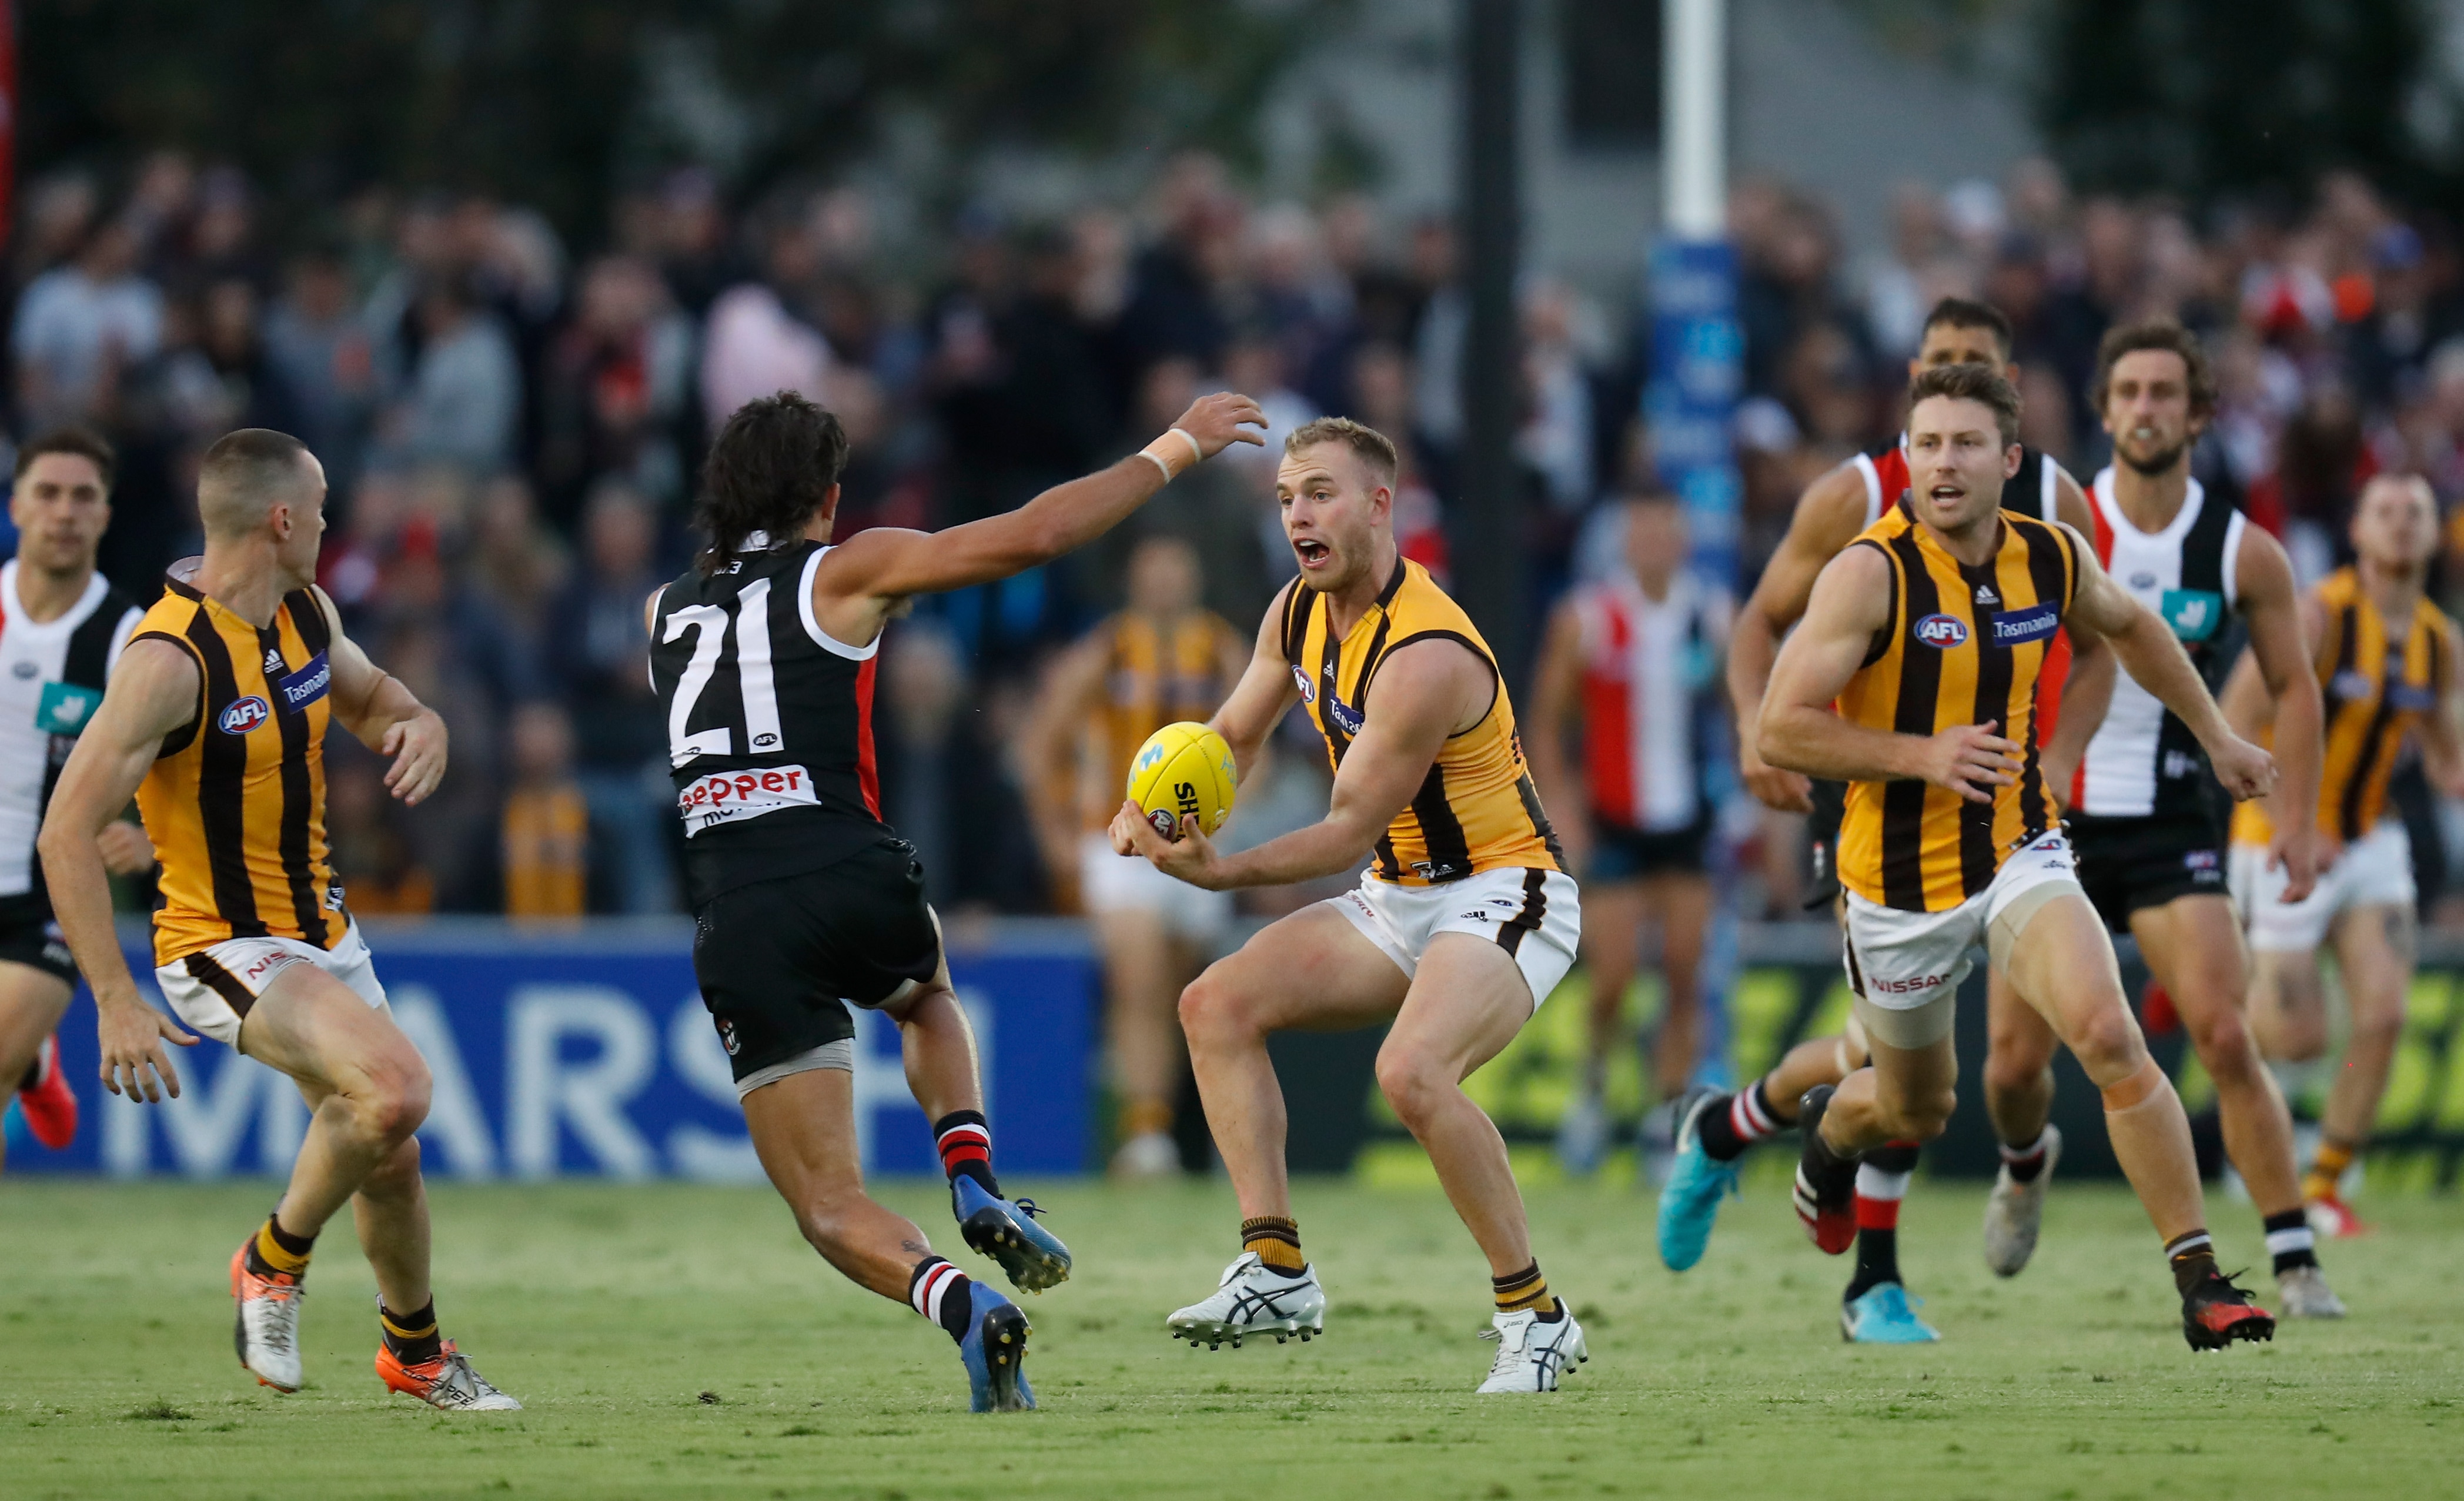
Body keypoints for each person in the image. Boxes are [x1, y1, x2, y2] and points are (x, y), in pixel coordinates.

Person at [647, 387, 1265, 1413]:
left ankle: (962, 1303)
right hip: (851, 867)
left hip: (737, 905)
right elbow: (1034, 535)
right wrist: (1173, 446)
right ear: (828, 497)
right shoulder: (847, 567)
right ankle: (971, 1169)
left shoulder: (662, 612)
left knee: (830, 1204)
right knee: (925, 992)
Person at [1756, 364, 2278, 1351]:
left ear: (2009, 460)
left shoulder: (2053, 555)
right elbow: (1780, 728)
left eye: (1962, 444)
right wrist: (1920, 754)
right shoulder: (1869, 571)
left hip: (2018, 853)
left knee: (2110, 1036)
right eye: (1925, 444)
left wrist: (2218, 739)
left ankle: (2202, 1280)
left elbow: (2131, 632)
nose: (1941, 463)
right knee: (1917, 1104)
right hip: (1895, 890)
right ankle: (1830, 1132)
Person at [42, 428, 519, 1409]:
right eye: (324, 502)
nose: (334, 519)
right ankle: (270, 1258)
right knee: (396, 1086)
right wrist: (114, 999)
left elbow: (373, 696)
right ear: (283, 518)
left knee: (388, 1149)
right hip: (222, 943)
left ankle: (414, 1350)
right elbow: (64, 834)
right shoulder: (167, 662)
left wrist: (418, 720)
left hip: (324, 930)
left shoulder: (307, 609)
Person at [1663, 296, 2107, 1343]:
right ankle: (1874, 1281)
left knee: (1936, 1053)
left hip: (2007, 801)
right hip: (1870, 784)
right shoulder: (1852, 499)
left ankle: (1732, 1124)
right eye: (1937, 376)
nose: (1951, 407)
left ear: (2010, 412)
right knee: (1896, 1050)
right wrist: (1746, 727)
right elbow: (1762, 625)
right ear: (1912, 381)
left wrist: (2060, 756)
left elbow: (2102, 641)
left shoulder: (2057, 506)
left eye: (1977, 375)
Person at [1114, 417, 1589, 1393]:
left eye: (1321, 492)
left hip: (1508, 889)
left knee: (1412, 1073)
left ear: (1381, 506)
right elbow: (1234, 737)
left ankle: (1533, 1312)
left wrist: (1217, 870)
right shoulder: (1296, 611)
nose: (1298, 513)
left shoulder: (1425, 652)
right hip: (1399, 895)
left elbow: (1340, 828)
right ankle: (1276, 1266)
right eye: (1288, 495)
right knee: (1215, 1003)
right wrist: (1156, 803)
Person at [1984, 320, 2344, 1318]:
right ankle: (2023, 1160)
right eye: (2129, 392)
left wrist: (2298, 823)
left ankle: (2294, 1252)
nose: (2145, 409)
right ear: (2104, 412)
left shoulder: (2240, 550)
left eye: (2164, 392)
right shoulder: (2055, 527)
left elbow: (2295, 685)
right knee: (2014, 1065)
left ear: (2198, 413)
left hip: (2170, 824)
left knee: (2227, 1034)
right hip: (2048, 821)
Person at [2224, 474, 2464, 1240]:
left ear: (2434, 534)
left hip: (2366, 837)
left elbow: (2443, 751)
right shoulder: (2318, 614)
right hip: (2278, 831)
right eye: (2384, 512)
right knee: (2295, 1038)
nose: (2400, 525)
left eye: (2415, 514)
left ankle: (2323, 1180)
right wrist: (2291, 818)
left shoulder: (2436, 639)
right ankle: (2216, 1012)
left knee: (2384, 1013)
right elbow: (2236, 717)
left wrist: (2448, 763)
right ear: (2354, 531)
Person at [1027, 534, 1248, 1177]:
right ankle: (1145, 1135)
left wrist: (1232, 821)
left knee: (1181, 991)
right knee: (1141, 976)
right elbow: (1045, 737)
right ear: (1134, 581)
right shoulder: (1109, 648)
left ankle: (1164, 1126)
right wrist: (1055, 834)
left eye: (1176, 571)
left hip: (1198, 848)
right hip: (1117, 842)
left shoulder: (1222, 650)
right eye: (1155, 572)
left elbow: (1254, 744)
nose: (1166, 585)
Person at [1526, 490, 1730, 1176]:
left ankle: (1664, 1118)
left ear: (1682, 540)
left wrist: (1748, 788)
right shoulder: (1587, 618)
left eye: (1665, 532)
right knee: (1612, 976)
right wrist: (1565, 807)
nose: (1654, 545)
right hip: (1614, 817)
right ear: (1624, 541)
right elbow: (1547, 722)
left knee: (1682, 967)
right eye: (1641, 532)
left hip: (1687, 816)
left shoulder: (1710, 614)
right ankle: (1591, 1088)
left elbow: (1736, 706)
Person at [0, 430, 148, 1173]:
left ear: (106, 515)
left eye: (82, 496)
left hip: (45, 902)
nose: (64, 512)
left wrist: (147, 838)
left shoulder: (131, 640)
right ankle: (33, 1063)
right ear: (17, 506)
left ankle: (20, 1054)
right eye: (48, 494)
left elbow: (178, 772)